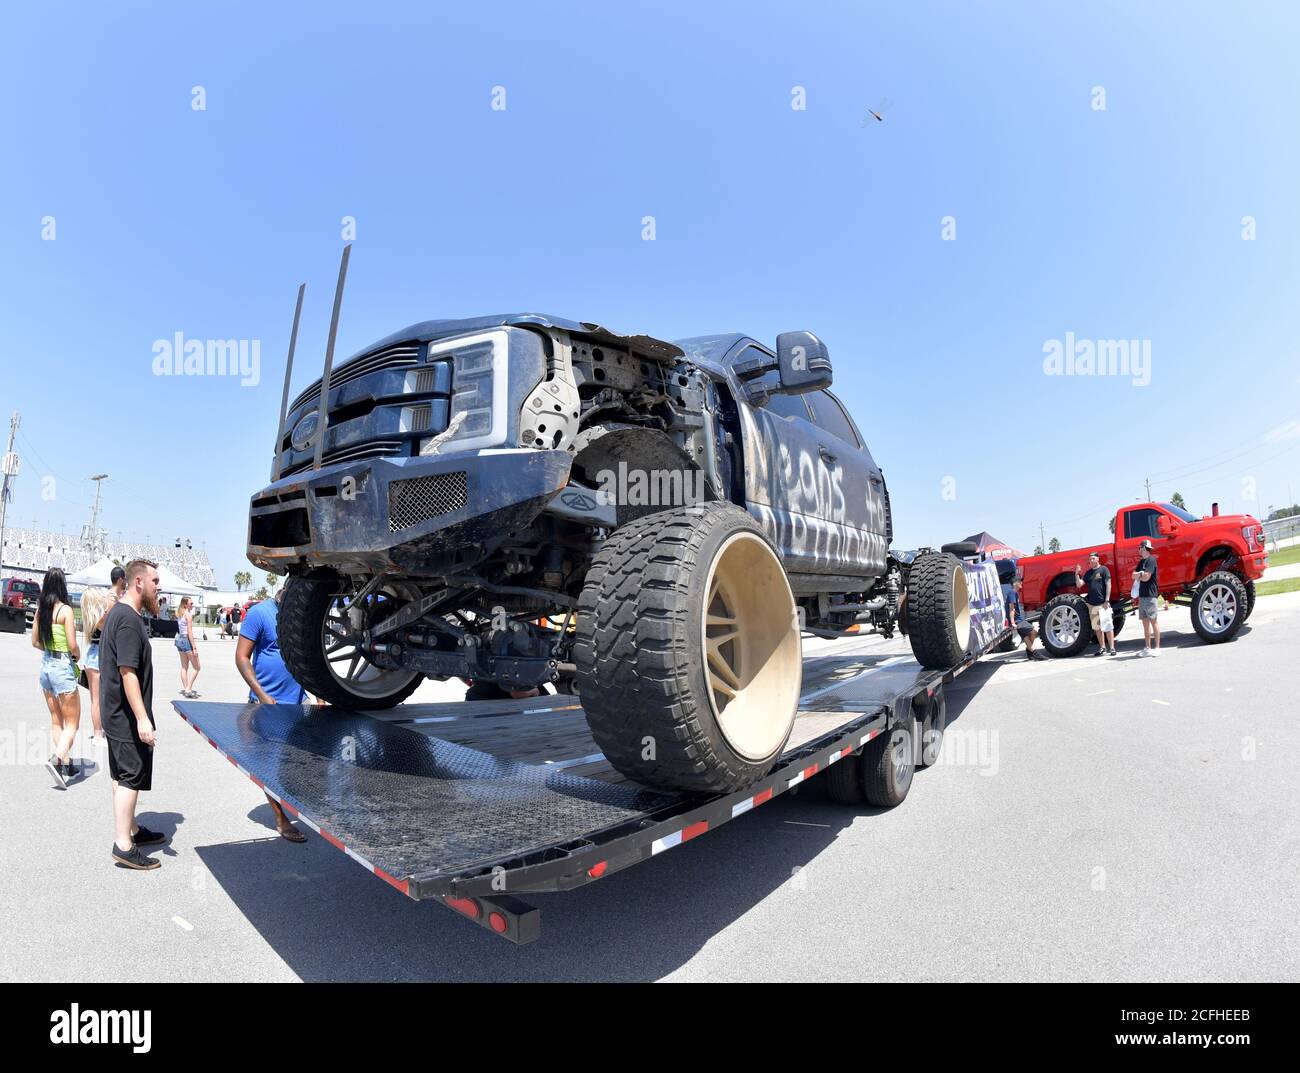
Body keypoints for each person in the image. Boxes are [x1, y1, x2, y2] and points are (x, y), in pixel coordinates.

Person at [100, 559, 167, 870]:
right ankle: (123, 844)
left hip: (114, 712)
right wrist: (142, 717)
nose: (159, 586)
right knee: (131, 776)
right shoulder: (127, 619)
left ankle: (133, 830)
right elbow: (128, 673)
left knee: (120, 774)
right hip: (125, 715)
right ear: (139, 582)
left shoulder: (120, 613)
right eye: (155, 581)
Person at [235, 586, 311, 842]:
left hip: (299, 703)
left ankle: (296, 804)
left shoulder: (299, 616)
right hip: (268, 704)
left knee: (299, 762)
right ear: (282, 592)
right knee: (270, 765)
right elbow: (242, 657)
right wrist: (262, 695)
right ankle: (281, 819)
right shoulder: (259, 613)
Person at [33, 568, 82, 788]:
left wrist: (49, 648)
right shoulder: (65, 610)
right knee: (72, 723)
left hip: (46, 665)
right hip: (62, 665)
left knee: (56, 720)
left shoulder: (40, 610)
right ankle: (56, 759)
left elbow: (34, 641)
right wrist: (77, 654)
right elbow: (72, 644)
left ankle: (66, 762)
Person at [80, 585, 117, 739]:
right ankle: (98, 734)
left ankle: (98, 732)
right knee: (99, 699)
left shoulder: (89, 615)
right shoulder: (101, 616)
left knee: (95, 699)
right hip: (98, 656)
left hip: (91, 655)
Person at [1077, 551, 1116, 656]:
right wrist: (1076, 574)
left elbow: (1108, 584)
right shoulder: (1088, 573)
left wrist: (1107, 600)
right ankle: (1102, 648)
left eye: (1093, 558)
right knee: (1097, 628)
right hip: (1092, 605)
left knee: (1108, 626)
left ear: (1098, 559)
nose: (1091, 560)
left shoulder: (1104, 570)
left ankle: (1112, 648)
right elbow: (1079, 584)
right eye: (1090, 559)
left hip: (1103, 604)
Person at [1004, 575, 1047, 661]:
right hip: (1017, 620)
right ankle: (1031, 651)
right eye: (1019, 581)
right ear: (1015, 583)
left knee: (1026, 637)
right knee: (1034, 630)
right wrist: (1012, 622)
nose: (1021, 583)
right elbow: (1011, 608)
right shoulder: (1012, 592)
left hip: (1018, 619)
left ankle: (1032, 652)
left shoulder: (1013, 593)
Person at [1134, 538, 1161, 657]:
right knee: (1145, 624)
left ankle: (1157, 648)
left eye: (1139, 548)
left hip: (1150, 596)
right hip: (1142, 596)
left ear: (1144, 548)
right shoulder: (1141, 562)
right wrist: (1141, 574)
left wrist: (1139, 575)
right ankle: (1147, 648)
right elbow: (1132, 575)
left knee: (1154, 622)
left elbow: (1147, 577)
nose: (1138, 550)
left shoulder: (1151, 560)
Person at [174, 595, 202, 698]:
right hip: (186, 640)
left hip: (179, 639)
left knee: (184, 667)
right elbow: (190, 631)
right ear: (186, 605)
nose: (192, 605)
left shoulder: (179, 613)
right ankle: (188, 688)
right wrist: (194, 647)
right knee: (197, 667)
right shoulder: (188, 615)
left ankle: (186, 689)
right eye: (191, 603)